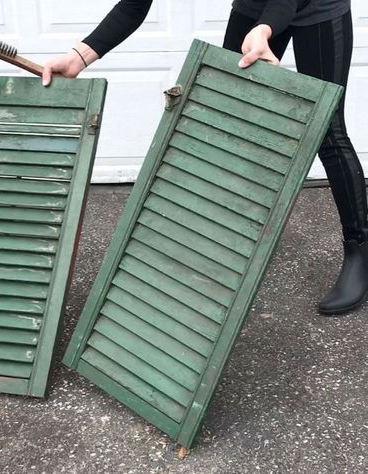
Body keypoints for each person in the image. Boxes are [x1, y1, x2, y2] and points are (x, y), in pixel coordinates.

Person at [42, 0, 368, 316]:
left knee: (329, 131)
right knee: (226, 115)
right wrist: (80, 57)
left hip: (317, 8)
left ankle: (360, 250)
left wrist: (265, 29)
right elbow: (133, 6)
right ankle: (217, 245)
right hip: (254, 6)